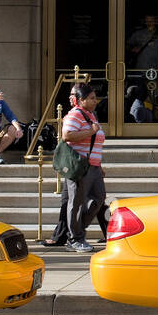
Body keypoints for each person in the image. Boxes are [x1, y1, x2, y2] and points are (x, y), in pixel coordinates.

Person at [62, 82, 106, 253]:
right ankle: (75, 238)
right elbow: (67, 136)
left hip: (93, 166)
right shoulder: (75, 115)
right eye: (91, 98)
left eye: (95, 98)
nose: (96, 101)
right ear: (80, 100)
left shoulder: (90, 115)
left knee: (99, 198)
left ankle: (78, 231)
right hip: (80, 167)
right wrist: (90, 131)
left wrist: (99, 165)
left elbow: (95, 143)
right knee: (77, 202)